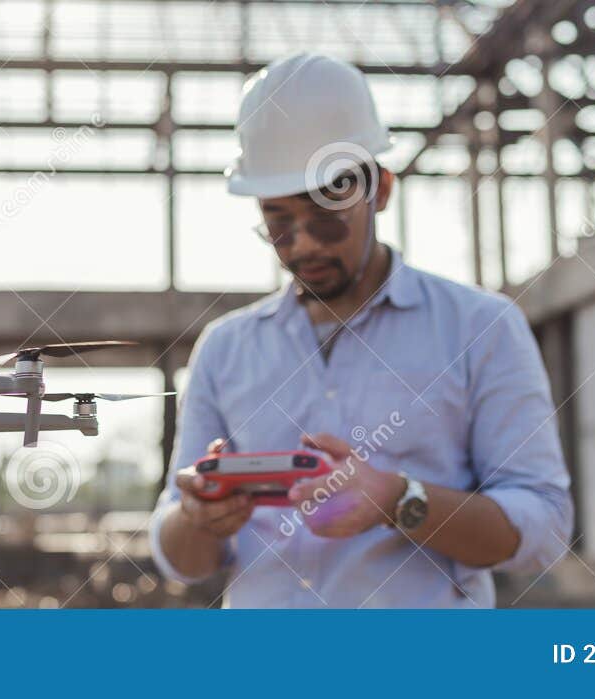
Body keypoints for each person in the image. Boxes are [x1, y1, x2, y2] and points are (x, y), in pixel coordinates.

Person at [148, 53, 573, 607]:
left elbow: (544, 529)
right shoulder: (225, 349)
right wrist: (200, 519)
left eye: (326, 216)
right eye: (278, 223)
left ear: (381, 191)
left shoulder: (481, 329)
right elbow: (183, 561)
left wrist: (399, 500)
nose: (303, 244)